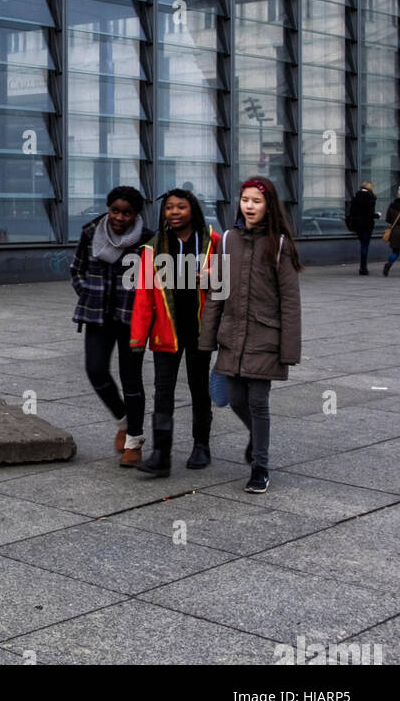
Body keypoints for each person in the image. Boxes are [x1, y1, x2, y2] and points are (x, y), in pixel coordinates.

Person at [198, 176, 301, 493]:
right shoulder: (228, 240)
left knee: (258, 401)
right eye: (245, 200)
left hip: (265, 338)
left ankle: (260, 467)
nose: (250, 206)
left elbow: (290, 301)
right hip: (232, 336)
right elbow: (218, 290)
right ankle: (258, 437)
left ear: (268, 205)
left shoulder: (280, 243)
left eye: (256, 201)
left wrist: (289, 350)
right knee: (235, 399)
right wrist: (207, 337)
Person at [129, 189, 222, 476]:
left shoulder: (212, 241)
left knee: (199, 388)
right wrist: (137, 338)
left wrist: (209, 279)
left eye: (181, 206)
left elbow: (226, 285)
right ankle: (161, 455)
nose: (175, 212)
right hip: (165, 331)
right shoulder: (154, 246)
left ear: (192, 209)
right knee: (163, 392)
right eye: (169, 207)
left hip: (200, 330)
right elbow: (144, 295)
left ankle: (201, 446)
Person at [71, 186, 153, 466]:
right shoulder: (91, 232)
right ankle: (124, 421)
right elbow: (77, 268)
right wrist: (86, 291)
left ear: (136, 214)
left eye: (127, 213)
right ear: (108, 209)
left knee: (131, 380)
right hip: (97, 314)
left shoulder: (147, 241)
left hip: (132, 318)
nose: (119, 217)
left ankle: (135, 442)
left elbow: (156, 281)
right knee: (95, 370)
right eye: (115, 210)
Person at [346, 182, 378, 275]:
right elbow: (370, 214)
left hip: (357, 225)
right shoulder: (371, 198)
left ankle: (362, 267)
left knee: (362, 244)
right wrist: (377, 215)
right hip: (367, 225)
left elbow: (351, 213)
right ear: (370, 188)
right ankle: (363, 267)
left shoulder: (355, 198)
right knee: (365, 245)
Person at [382, 186, 400, 277]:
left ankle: (388, 264)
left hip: (396, 231)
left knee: (395, 252)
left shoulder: (392, 205)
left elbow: (388, 219)